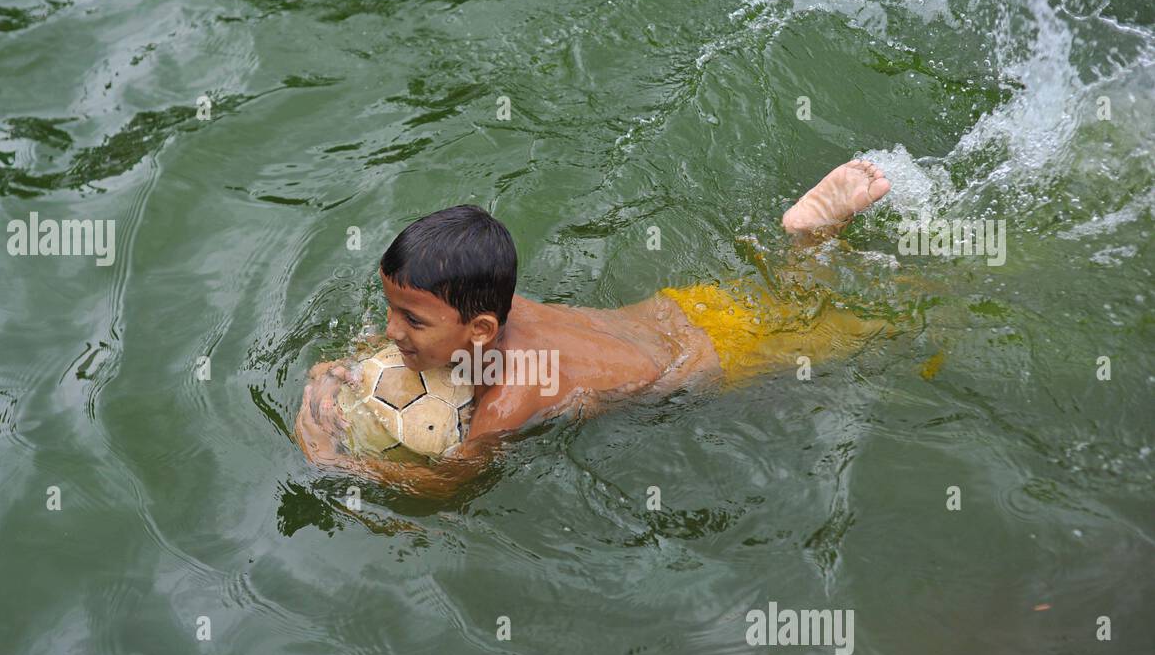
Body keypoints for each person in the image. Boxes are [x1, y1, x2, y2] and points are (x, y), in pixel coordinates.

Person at [295, 159, 893, 494]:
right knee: (790, 300)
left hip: (709, 361)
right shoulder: (499, 305)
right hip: (684, 308)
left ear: (478, 330)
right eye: (391, 311)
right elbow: (414, 338)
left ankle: (820, 244)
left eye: (410, 320)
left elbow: (448, 485)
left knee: (879, 327)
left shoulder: (510, 397)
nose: (391, 331)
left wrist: (337, 463)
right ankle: (810, 239)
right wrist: (346, 372)